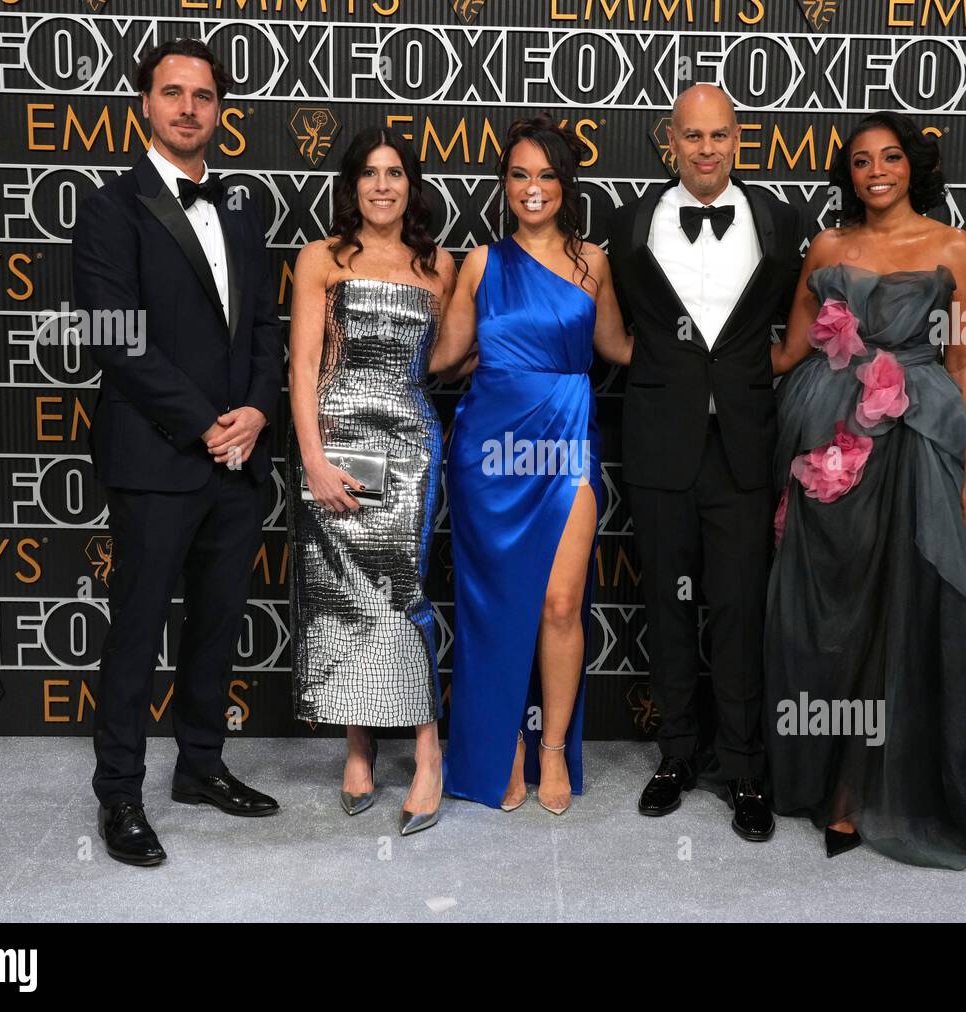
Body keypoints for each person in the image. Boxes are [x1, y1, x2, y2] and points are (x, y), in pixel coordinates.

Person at [766, 111, 966, 867]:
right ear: (848, 173)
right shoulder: (828, 247)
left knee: (903, 607)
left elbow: (965, 363)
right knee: (833, 607)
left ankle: (869, 791)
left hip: (917, 443)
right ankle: (834, 768)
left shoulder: (953, 248)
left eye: (891, 157)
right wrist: (700, 357)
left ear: (913, 167)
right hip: (828, 443)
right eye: (862, 159)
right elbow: (790, 349)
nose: (876, 170)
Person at [73, 39, 285, 867]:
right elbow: (114, 339)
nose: (188, 107)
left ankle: (201, 766)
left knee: (217, 626)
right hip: (159, 458)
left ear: (220, 111)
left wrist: (258, 414)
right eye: (173, 93)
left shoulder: (242, 207)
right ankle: (120, 795)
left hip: (239, 459)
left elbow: (265, 328)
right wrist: (207, 423)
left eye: (203, 96)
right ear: (145, 106)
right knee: (135, 633)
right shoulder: (109, 208)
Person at [606, 84, 801, 842]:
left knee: (740, 610)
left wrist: (745, 378)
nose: (706, 149)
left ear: (738, 138)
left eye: (719, 135)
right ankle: (678, 754)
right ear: (671, 140)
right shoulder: (629, 226)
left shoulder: (782, 223)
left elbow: (798, 331)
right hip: (659, 445)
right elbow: (613, 336)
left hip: (746, 447)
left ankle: (744, 766)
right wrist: (670, 378)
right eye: (692, 136)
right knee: (667, 607)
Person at [432, 114, 632, 814]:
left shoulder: (594, 262)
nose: (532, 187)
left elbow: (616, 348)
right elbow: (444, 358)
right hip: (491, 451)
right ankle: (502, 748)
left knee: (559, 602)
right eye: (519, 174)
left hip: (566, 439)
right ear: (504, 185)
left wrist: (707, 358)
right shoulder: (483, 262)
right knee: (494, 609)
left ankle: (552, 750)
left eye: (546, 174)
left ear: (565, 183)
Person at [286, 128, 454, 836]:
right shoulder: (321, 259)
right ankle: (357, 748)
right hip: (336, 444)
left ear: (411, 186)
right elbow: (299, 369)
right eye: (369, 174)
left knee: (400, 590)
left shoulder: (439, 264)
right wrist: (314, 460)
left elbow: (446, 358)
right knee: (342, 595)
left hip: (410, 447)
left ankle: (426, 754)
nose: (383, 185)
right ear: (352, 184)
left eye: (395, 174)